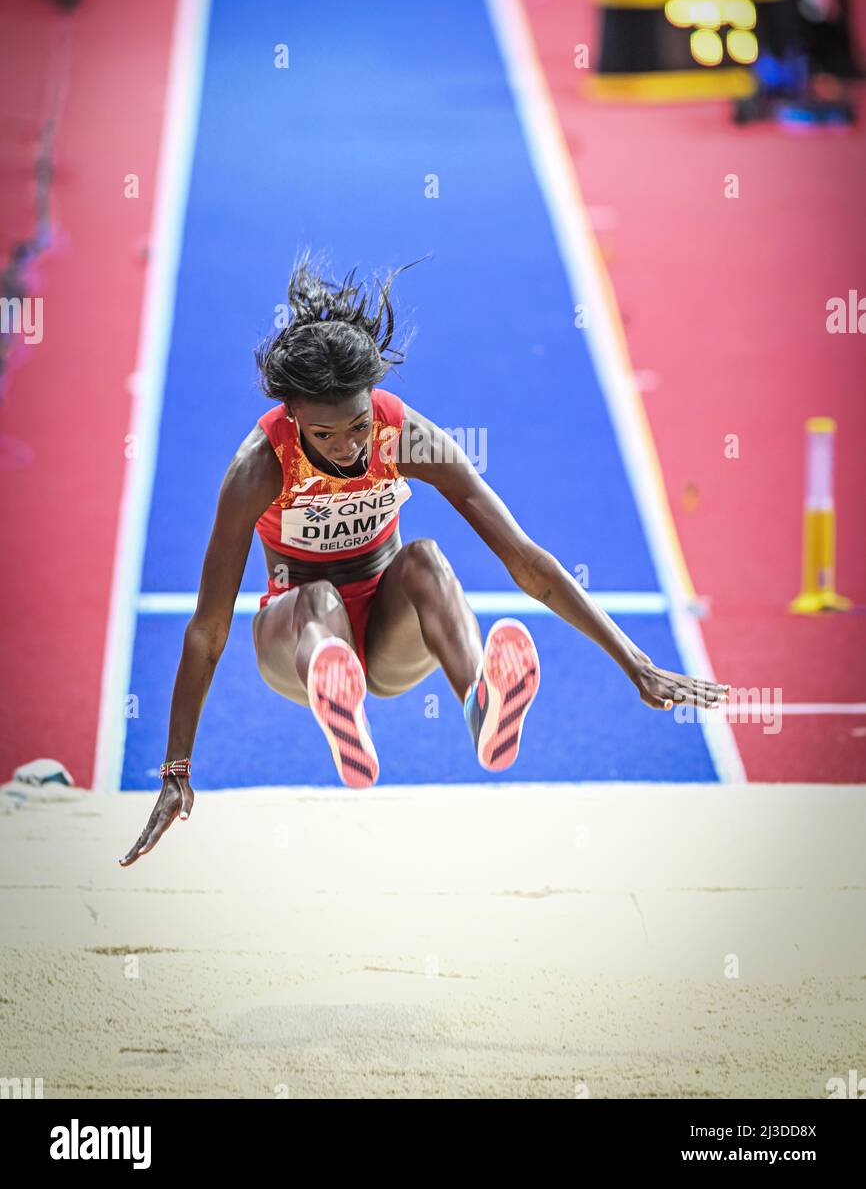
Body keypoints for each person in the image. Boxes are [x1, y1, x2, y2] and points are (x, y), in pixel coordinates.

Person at [120, 254, 729, 865]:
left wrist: (637, 663)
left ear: (373, 401)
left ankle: (480, 704)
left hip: (390, 640)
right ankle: (340, 700)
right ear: (293, 415)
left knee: (427, 558)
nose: (348, 448)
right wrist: (176, 766)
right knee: (319, 599)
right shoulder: (257, 468)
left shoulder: (403, 435)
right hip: (294, 640)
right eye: (325, 435)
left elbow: (526, 562)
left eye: (358, 426)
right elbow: (209, 629)